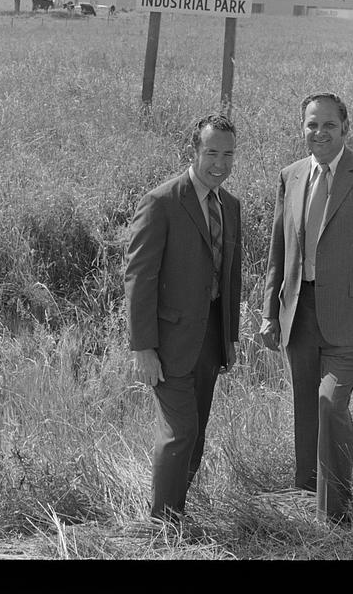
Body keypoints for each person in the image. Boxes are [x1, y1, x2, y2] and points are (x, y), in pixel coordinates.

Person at [259, 92, 353, 524]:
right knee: (306, 404)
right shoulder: (291, 175)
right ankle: (308, 492)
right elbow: (279, 250)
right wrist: (271, 311)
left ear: (345, 128)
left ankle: (335, 510)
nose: (319, 132)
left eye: (327, 125)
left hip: (351, 320)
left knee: (330, 404)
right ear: (302, 128)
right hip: (299, 313)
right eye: (311, 124)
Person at [125, 113, 241, 523]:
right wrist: (143, 346)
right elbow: (139, 277)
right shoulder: (161, 202)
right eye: (211, 153)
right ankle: (163, 524)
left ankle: (177, 510)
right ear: (194, 151)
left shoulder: (230, 205)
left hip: (210, 339)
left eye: (228, 155)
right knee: (180, 434)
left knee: (196, 437)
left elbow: (230, 274)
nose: (220, 164)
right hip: (169, 342)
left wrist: (230, 338)